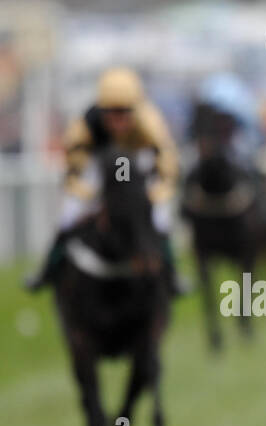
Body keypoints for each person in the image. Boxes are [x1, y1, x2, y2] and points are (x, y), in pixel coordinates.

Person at [24, 67, 183, 294]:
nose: (118, 120)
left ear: (135, 109)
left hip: (137, 167)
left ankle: (172, 275)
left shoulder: (150, 123)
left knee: (161, 220)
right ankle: (47, 270)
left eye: (124, 112)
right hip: (100, 169)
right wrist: (87, 192)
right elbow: (73, 158)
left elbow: (166, 160)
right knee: (68, 216)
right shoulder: (88, 121)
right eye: (111, 113)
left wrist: (154, 194)